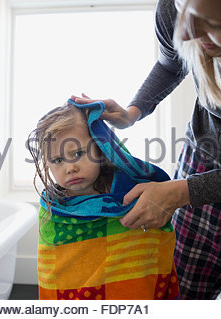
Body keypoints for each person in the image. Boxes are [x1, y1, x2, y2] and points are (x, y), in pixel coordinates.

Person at [71, 0, 221, 299]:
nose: (186, 33)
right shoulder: (175, 9)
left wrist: (182, 192)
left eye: (213, 25)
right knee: (179, 290)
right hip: (199, 163)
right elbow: (171, 62)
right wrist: (132, 112)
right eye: (182, 8)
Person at [28, 101, 179, 300]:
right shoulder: (53, 210)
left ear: (100, 150)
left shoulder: (129, 192)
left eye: (79, 153)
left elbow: (148, 242)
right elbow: (54, 271)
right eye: (57, 160)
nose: (70, 168)